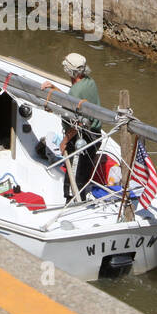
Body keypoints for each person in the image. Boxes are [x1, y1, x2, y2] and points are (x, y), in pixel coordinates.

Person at [43, 53, 101, 203]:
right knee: (80, 175)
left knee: (74, 181)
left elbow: (79, 122)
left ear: (69, 71)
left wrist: (64, 141)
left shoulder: (76, 91)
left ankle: (74, 205)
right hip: (94, 135)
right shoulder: (89, 82)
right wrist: (54, 88)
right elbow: (74, 102)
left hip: (81, 138)